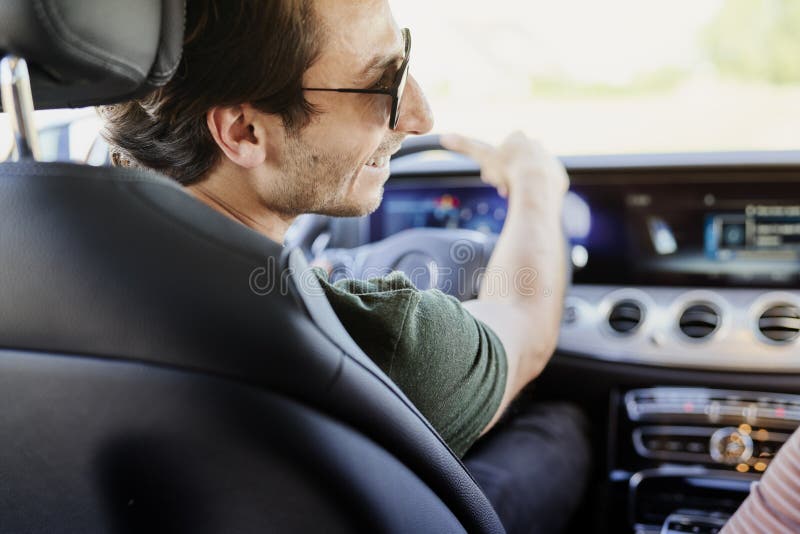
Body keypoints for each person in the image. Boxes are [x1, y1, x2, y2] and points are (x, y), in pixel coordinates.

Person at [100, 0, 590, 531]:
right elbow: (524, 324)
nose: (421, 117)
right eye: (385, 83)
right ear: (244, 132)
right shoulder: (381, 341)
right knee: (559, 426)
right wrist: (537, 186)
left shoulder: (33, 263)